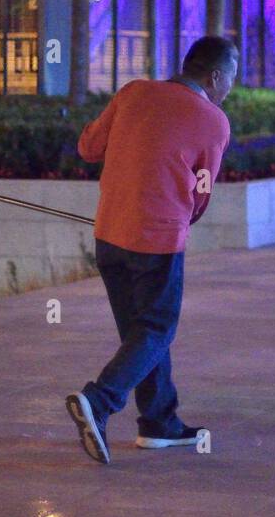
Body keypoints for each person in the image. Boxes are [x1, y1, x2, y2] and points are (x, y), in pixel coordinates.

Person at [65, 36, 237, 464]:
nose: (232, 86)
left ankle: (159, 422)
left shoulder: (133, 93)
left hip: (109, 234)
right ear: (215, 76)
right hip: (157, 240)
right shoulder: (213, 121)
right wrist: (183, 214)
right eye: (232, 77)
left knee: (140, 333)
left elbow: (88, 148)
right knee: (157, 329)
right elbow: (201, 192)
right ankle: (99, 401)